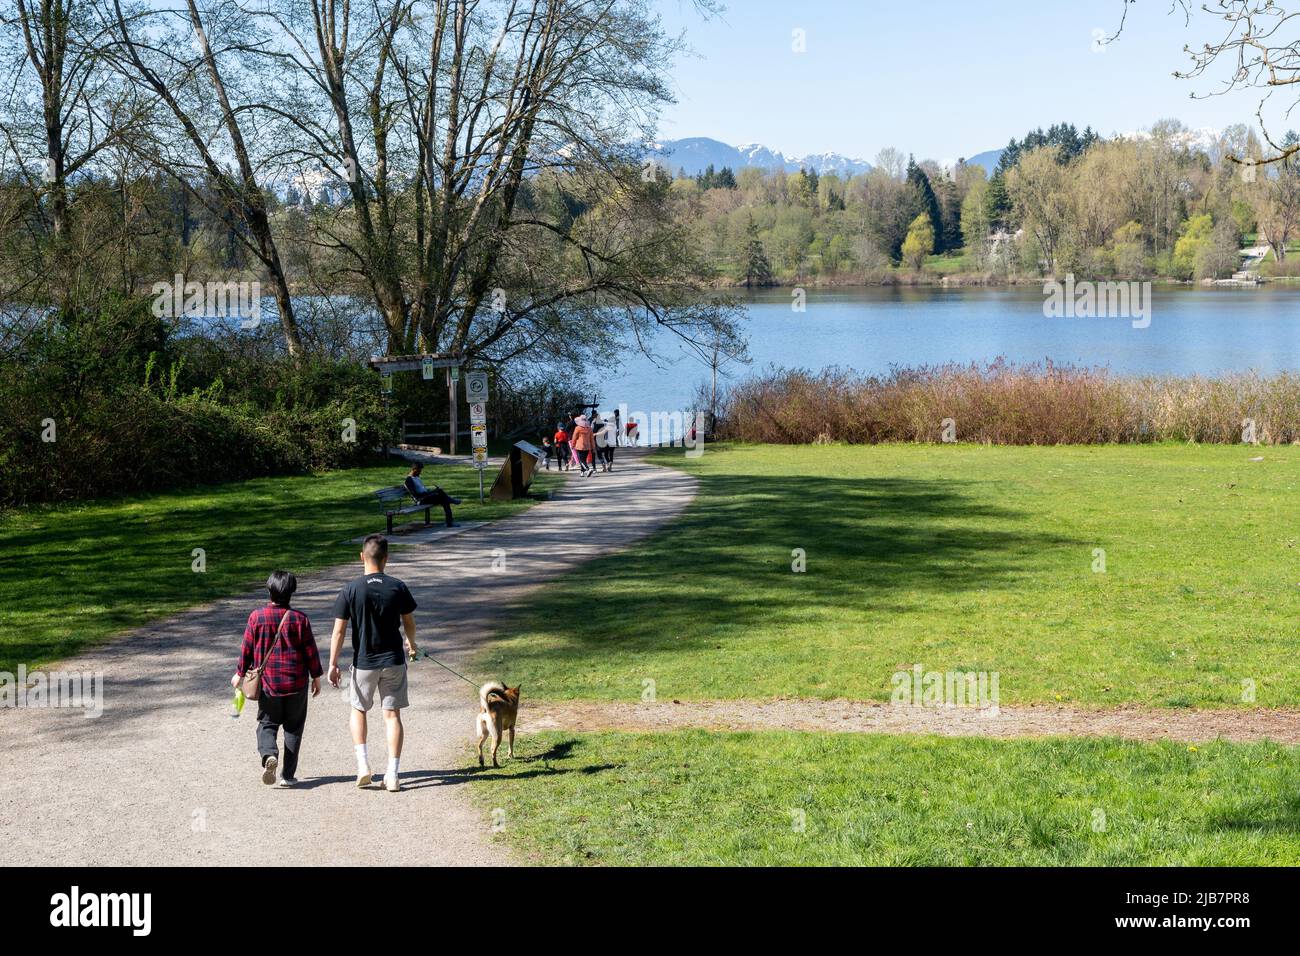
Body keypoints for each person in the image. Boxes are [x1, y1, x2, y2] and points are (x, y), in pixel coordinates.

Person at [328, 534, 418, 792]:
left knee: (358, 710)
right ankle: (393, 774)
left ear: (361, 557)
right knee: (392, 716)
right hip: (393, 661)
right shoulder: (398, 587)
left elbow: (339, 632)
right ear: (386, 559)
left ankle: (363, 765)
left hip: (364, 661)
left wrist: (333, 663)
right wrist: (411, 643)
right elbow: (409, 623)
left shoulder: (351, 589)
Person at [232, 570, 322, 788]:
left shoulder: (256, 617)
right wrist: (316, 676)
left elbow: (247, 649)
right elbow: (310, 651)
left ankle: (269, 755)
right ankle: (288, 776)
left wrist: (240, 673)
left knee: (267, 724)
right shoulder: (300, 619)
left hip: (269, 685)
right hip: (296, 685)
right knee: (293, 728)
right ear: (292, 591)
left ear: (268, 590)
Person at [403, 462, 461, 527]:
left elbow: (422, 489)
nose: (420, 472)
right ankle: (451, 503)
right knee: (443, 497)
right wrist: (428, 493)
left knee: (443, 497)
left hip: (425, 497)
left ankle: (449, 522)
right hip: (420, 500)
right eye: (419, 470)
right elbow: (415, 495)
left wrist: (431, 491)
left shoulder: (416, 477)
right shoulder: (409, 480)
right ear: (414, 469)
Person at [570, 412, 595, 477]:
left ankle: (588, 469)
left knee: (581, 460)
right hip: (587, 447)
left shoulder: (578, 428)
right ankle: (582, 472)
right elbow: (592, 439)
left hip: (579, 447)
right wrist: (593, 447)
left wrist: (572, 445)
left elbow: (574, 437)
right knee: (583, 460)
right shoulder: (589, 428)